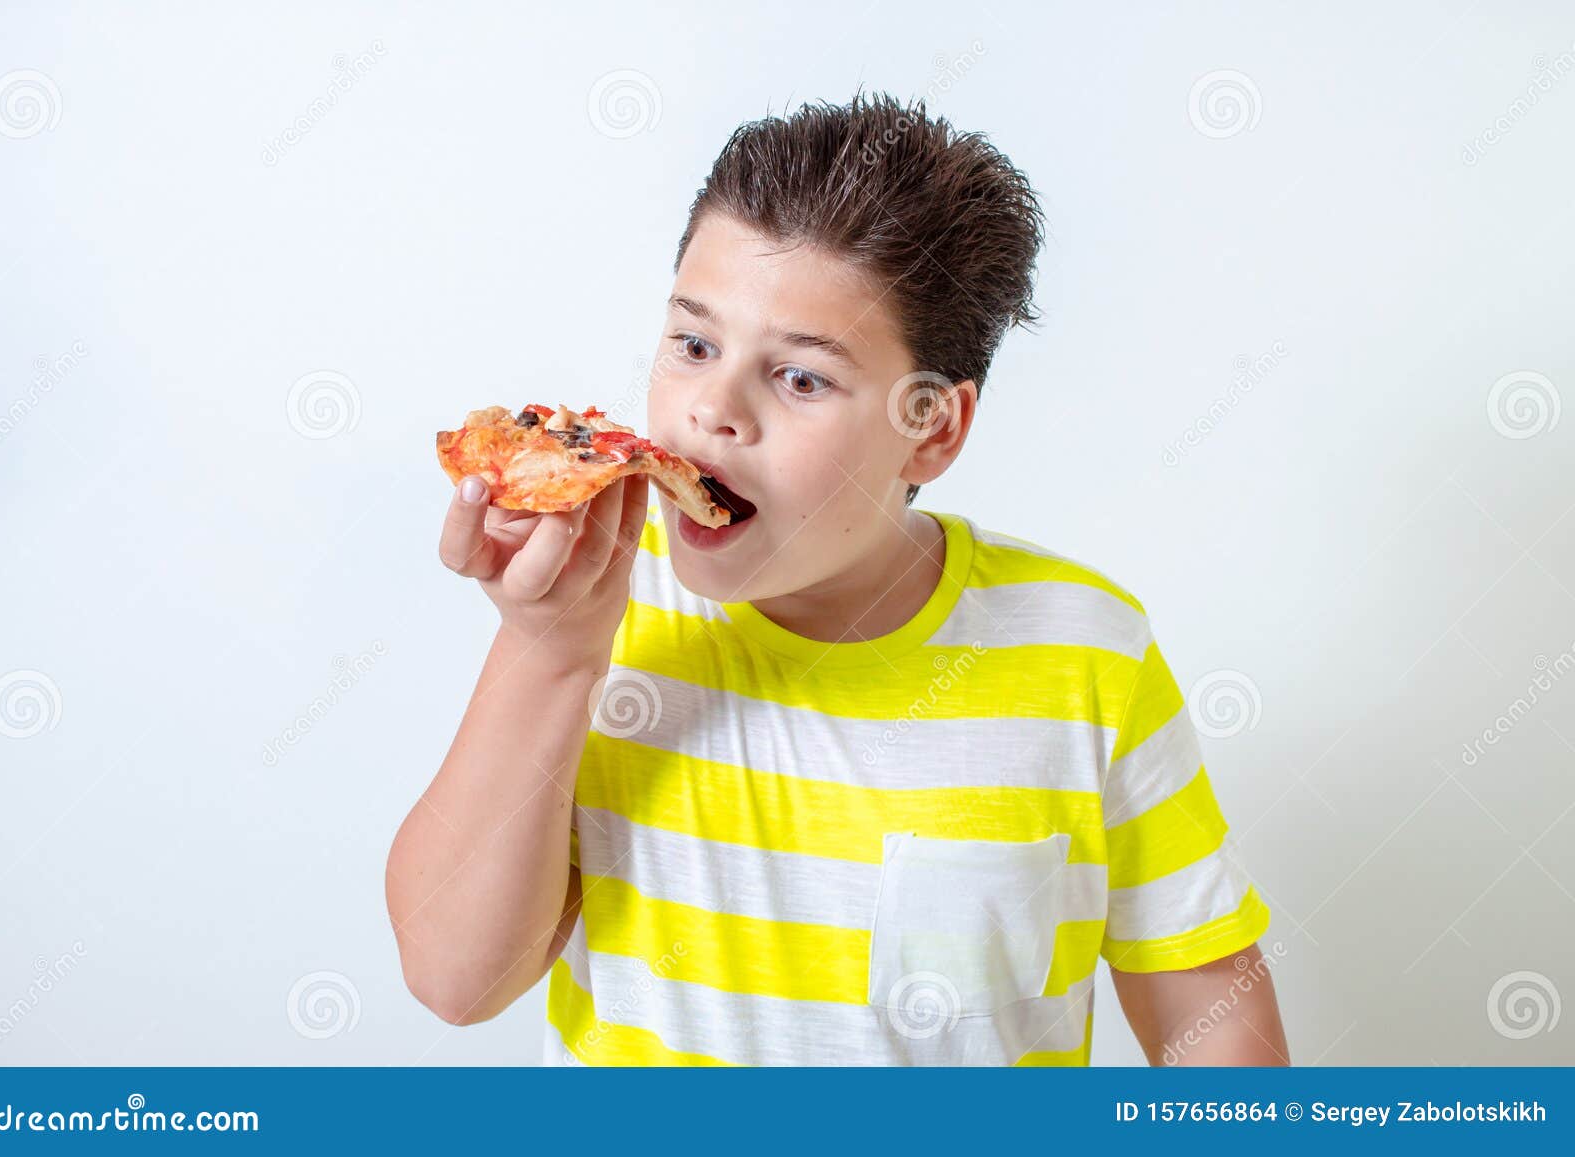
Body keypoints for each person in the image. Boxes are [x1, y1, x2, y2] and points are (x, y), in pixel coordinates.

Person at [386, 93, 1288, 1066]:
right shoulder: (598, 602)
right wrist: (549, 652)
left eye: (801, 378)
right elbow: (456, 979)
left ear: (932, 426)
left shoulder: (1084, 654)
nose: (714, 411)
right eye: (694, 344)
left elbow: (1210, 1013)